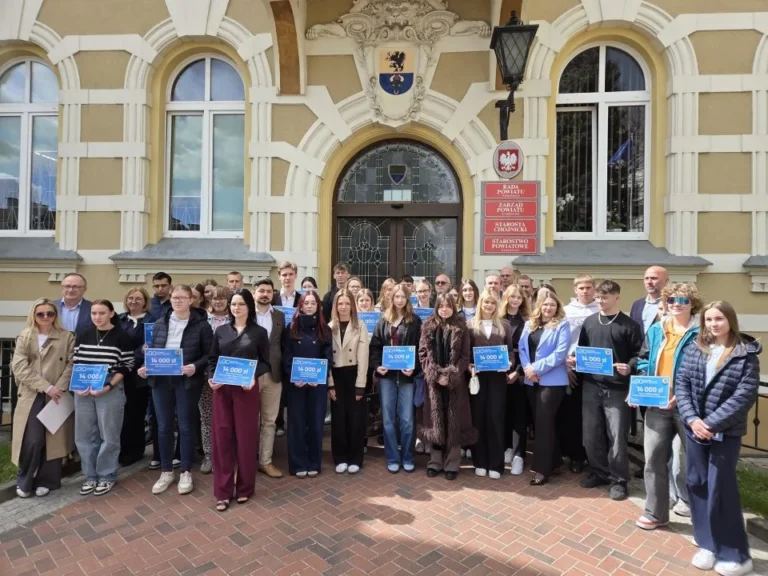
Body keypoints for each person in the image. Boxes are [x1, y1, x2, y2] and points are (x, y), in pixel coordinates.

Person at [675, 301, 758, 576]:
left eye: (719, 318)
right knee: (697, 483)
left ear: (730, 320)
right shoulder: (695, 348)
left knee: (721, 488)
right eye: (709, 319)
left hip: (724, 432)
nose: (713, 324)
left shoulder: (746, 354)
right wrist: (692, 419)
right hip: (695, 430)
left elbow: (743, 397)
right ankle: (708, 543)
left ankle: (736, 554)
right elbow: (682, 384)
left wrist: (710, 423)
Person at [634, 283, 702, 531]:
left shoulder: (702, 332)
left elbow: (706, 370)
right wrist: (642, 386)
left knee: (695, 463)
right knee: (653, 461)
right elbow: (643, 359)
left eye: (682, 300)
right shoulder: (657, 329)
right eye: (671, 299)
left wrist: (683, 395)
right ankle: (656, 513)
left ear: (693, 303)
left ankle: (701, 516)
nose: (675, 304)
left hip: (689, 408)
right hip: (657, 404)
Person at [570, 280, 643, 501]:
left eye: (605, 297)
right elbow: (582, 350)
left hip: (617, 389)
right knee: (590, 435)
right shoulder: (590, 322)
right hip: (591, 386)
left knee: (617, 437)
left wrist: (629, 366)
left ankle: (619, 480)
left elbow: (640, 355)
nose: (600, 301)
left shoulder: (629, 325)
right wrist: (574, 360)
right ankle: (600, 472)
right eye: (599, 297)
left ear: (617, 297)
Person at [139, 285, 213, 496]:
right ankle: (166, 471)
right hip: (161, 381)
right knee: (163, 426)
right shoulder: (160, 323)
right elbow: (153, 352)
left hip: (186, 382)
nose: (178, 301)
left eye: (182, 297)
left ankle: (186, 471)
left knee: (185, 425)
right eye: (174, 297)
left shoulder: (202, 325)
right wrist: (146, 367)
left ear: (191, 300)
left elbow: (209, 355)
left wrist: (195, 367)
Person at [207, 289, 271, 511]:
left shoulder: (259, 332)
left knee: (245, 439)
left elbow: (265, 362)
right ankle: (223, 492)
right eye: (233, 304)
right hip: (222, 390)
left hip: (246, 390)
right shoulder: (221, 331)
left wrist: (253, 377)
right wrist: (211, 378)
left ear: (249, 307)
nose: (236, 308)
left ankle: (245, 488)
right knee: (222, 439)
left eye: (241, 304)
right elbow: (212, 360)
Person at [12, 298, 75, 498]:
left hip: (57, 394)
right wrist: (46, 387)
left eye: (50, 313)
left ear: (56, 315)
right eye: (41, 313)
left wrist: (59, 387)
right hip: (32, 393)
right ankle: (25, 480)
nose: (46, 317)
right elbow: (19, 367)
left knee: (53, 439)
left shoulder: (66, 336)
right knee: (32, 440)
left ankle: (48, 480)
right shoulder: (25, 336)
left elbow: (72, 363)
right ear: (34, 315)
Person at [73, 300, 134, 496]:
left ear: (111, 313)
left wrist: (108, 386)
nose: (97, 317)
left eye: (101, 313)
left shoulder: (121, 336)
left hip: (109, 390)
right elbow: (76, 361)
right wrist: (78, 386)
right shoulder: (84, 334)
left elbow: (127, 365)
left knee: (109, 435)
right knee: (84, 436)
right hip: (83, 391)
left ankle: (107, 474)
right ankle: (90, 476)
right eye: (94, 313)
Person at [418, 293, 475, 480]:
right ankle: (435, 462)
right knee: (435, 422)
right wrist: (435, 375)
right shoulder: (427, 326)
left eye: (448, 306)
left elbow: (465, 356)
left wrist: (450, 375)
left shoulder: (461, 326)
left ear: (453, 307)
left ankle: (452, 463)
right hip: (434, 384)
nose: (444, 309)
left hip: (455, 383)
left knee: (454, 422)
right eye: (441, 306)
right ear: (436, 307)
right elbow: (422, 354)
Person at [518, 289, 571, 486]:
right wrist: (528, 369)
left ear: (557, 307)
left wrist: (536, 368)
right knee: (540, 422)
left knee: (543, 424)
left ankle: (542, 469)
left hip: (552, 382)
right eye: (546, 304)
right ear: (539, 306)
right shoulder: (529, 324)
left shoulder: (562, 325)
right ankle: (554, 461)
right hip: (531, 380)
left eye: (552, 305)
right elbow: (522, 348)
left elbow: (560, 354)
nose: (549, 308)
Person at [370, 284, 422, 473]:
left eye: (403, 297)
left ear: (408, 299)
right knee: (388, 419)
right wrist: (377, 366)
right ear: (391, 299)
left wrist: (414, 367)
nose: (399, 300)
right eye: (396, 297)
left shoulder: (415, 321)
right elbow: (375, 346)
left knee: (407, 419)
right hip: (388, 377)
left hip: (407, 377)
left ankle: (407, 456)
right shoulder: (383, 320)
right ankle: (392, 457)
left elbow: (421, 348)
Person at [282, 291, 332, 477]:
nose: (309, 306)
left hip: (316, 385)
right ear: (300, 306)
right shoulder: (291, 328)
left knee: (316, 423)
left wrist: (319, 377)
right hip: (296, 384)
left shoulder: (325, 329)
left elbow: (328, 356)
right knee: (296, 423)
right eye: (306, 303)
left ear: (318, 306)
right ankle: (297, 464)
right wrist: (293, 376)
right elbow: (286, 354)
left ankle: (313, 463)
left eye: (313, 303)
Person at [468, 289, 516, 480]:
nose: (489, 306)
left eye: (493, 302)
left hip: (497, 378)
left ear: (497, 305)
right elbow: (466, 353)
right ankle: (480, 462)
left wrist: (509, 363)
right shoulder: (470, 324)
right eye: (486, 302)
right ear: (480, 303)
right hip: (477, 378)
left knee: (495, 419)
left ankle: (496, 464)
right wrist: (469, 366)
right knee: (478, 418)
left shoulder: (504, 325)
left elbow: (510, 352)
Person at [328, 289, 369, 474]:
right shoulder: (329, 327)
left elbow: (363, 357)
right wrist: (330, 383)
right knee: (338, 419)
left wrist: (361, 385)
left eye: (347, 303)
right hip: (336, 375)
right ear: (335, 306)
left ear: (352, 305)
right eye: (340, 304)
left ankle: (355, 458)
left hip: (354, 375)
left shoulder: (360, 326)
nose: (343, 307)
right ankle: (340, 457)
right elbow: (327, 357)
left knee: (355, 419)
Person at [561, 274, 599, 474]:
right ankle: (576, 455)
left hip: (595, 368)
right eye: (581, 288)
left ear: (594, 289)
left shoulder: (601, 309)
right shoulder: (566, 311)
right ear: (575, 290)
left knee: (594, 415)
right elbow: (561, 341)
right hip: (572, 368)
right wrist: (566, 367)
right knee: (573, 414)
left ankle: (593, 456)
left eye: (588, 287)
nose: (585, 291)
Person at [253, 278, 286, 479]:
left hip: (274, 374)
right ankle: (248, 460)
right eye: (261, 291)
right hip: (251, 375)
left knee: (270, 420)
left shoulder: (279, 316)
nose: (265, 294)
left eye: (269, 291)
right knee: (250, 420)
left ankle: (265, 461)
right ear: (254, 293)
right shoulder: (246, 314)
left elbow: (282, 344)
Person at [118, 287, 152, 467]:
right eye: (131, 298)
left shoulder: (152, 321)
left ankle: (134, 451)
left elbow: (149, 347)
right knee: (120, 415)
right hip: (119, 374)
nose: (134, 301)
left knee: (135, 414)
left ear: (145, 301)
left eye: (138, 298)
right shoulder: (119, 319)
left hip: (139, 376)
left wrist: (132, 356)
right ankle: (121, 449)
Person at [198, 285, 231, 474]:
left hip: (230, 373)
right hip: (207, 374)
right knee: (207, 415)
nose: (218, 301)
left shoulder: (235, 319)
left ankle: (227, 453)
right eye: (215, 298)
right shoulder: (202, 319)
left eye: (222, 298)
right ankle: (209, 454)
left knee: (228, 415)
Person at [499, 284, 531, 475]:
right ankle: (507, 447)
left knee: (519, 415)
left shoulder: (527, 321)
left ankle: (519, 454)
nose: (515, 300)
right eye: (512, 296)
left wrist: (517, 372)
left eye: (519, 297)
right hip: (500, 373)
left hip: (519, 373)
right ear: (506, 298)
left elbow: (528, 350)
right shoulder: (498, 319)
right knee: (503, 412)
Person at [631, 266, 669, 335]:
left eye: (654, 278)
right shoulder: (637, 305)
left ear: (666, 281)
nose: (649, 282)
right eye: (646, 278)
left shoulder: (672, 304)